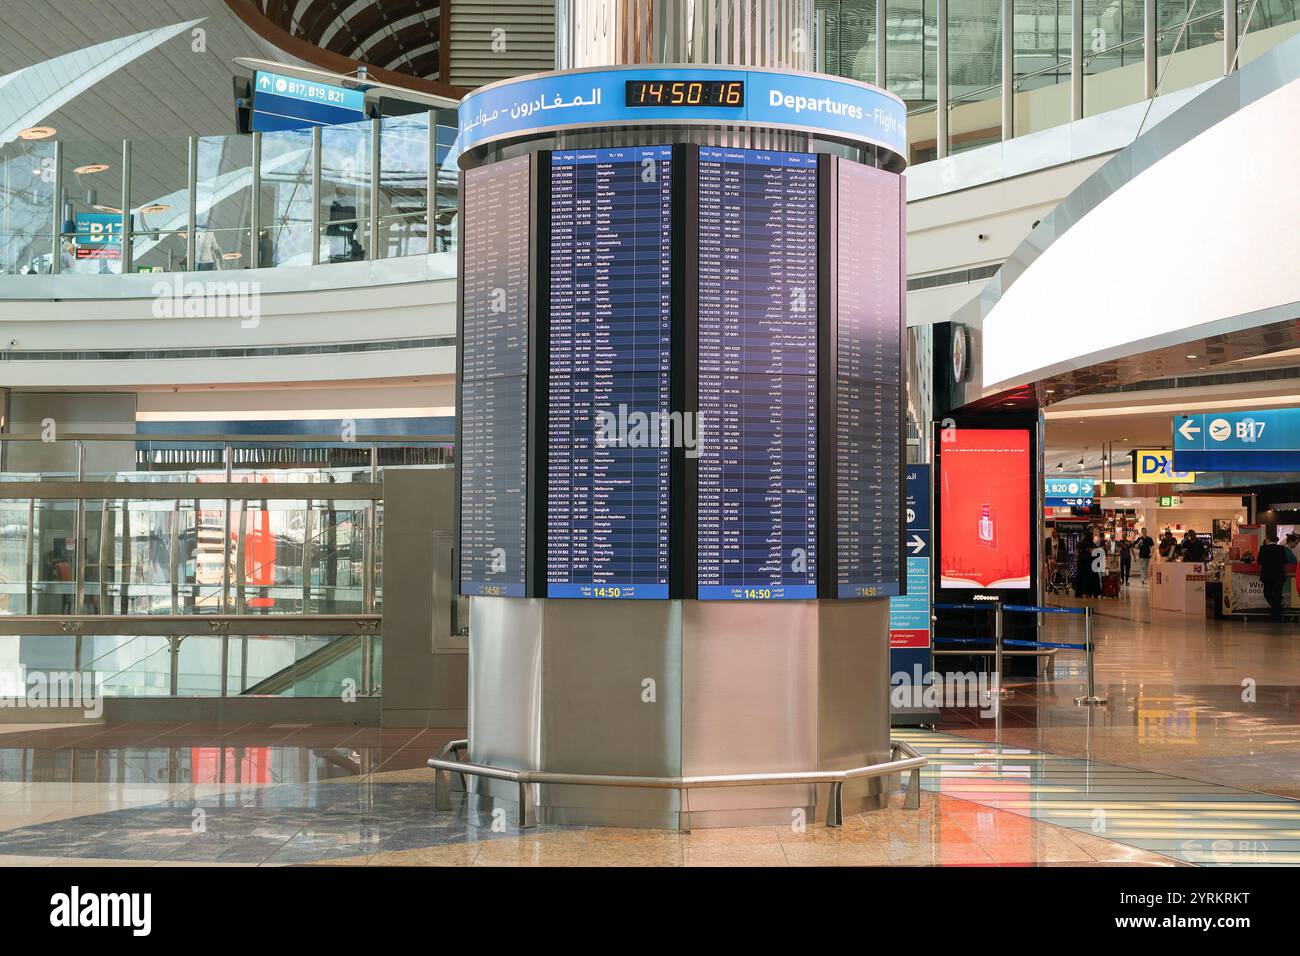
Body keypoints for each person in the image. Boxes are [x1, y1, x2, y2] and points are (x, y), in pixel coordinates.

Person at [1258, 534, 1292, 622]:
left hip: (1267, 576)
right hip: (1279, 575)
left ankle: (1277, 612)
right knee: (1277, 595)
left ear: (1267, 539)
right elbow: (1285, 561)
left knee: (1267, 594)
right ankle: (1277, 613)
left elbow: (1259, 561)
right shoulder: (1281, 548)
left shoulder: (1263, 548)